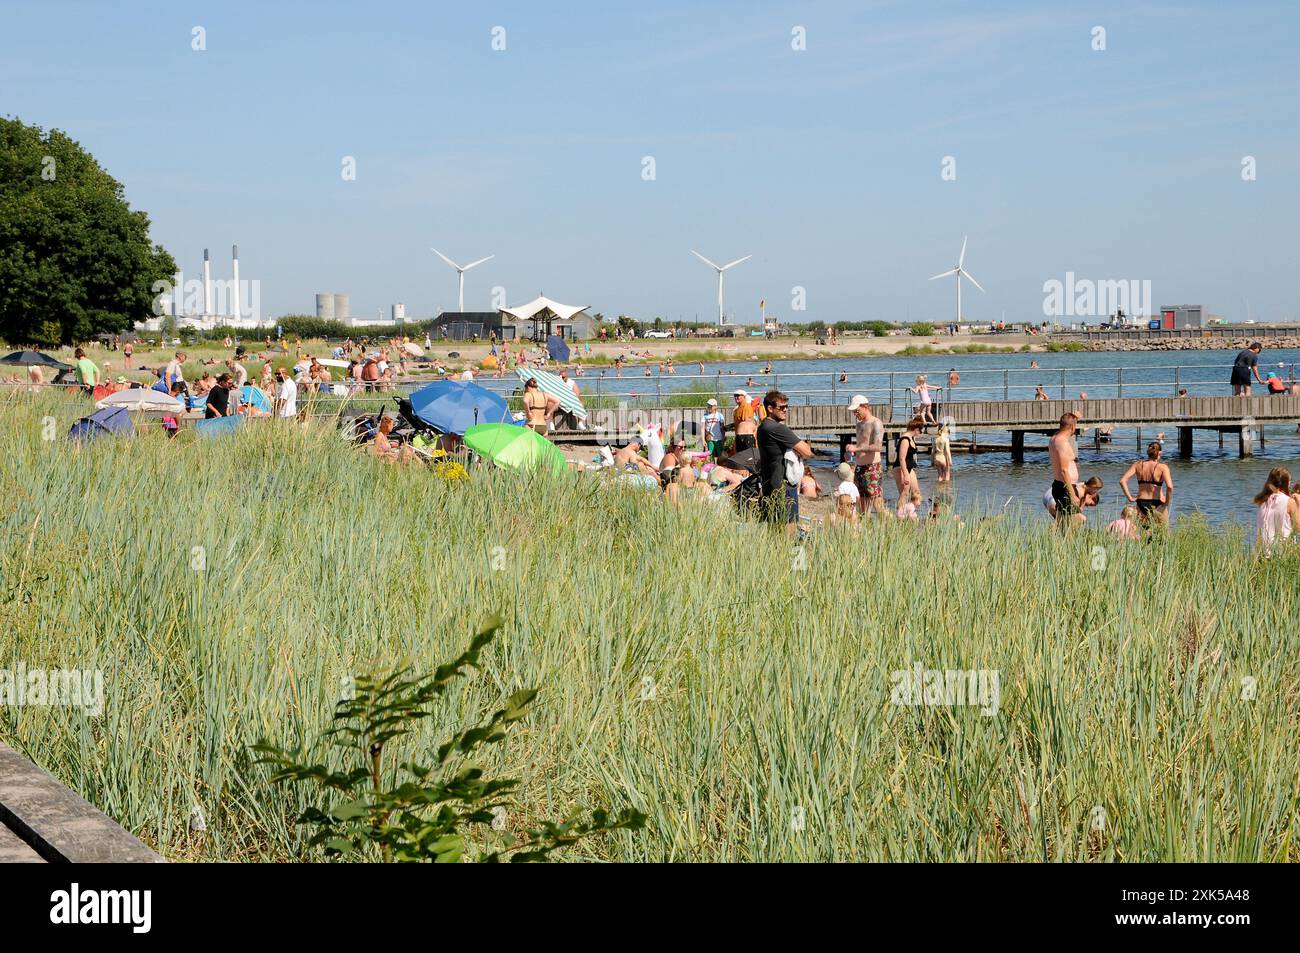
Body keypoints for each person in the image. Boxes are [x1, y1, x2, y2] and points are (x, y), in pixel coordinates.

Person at [756, 390, 814, 535]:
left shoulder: (763, 426)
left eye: (787, 407)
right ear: (770, 408)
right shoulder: (777, 428)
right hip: (783, 485)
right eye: (781, 407)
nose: (785, 410)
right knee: (789, 529)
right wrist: (798, 448)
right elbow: (807, 452)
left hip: (769, 482)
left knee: (773, 529)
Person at [845, 395, 885, 517]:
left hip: (872, 468)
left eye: (857, 411)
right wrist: (850, 452)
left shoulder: (876, 423)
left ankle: (892, 527)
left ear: (865, 406)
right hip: (859, 467)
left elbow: (877, 446)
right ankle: (866, 532)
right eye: (853, 412)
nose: (855, 414)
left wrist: (856, 448)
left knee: (878, 506)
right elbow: (861, 445)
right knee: (862, 508)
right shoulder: (859, 425)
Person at [1120, 442, 1174, 526]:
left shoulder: (1137, 464)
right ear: (1160, 453)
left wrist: (1130, 498)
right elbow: (1170, 487)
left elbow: (1122, 481)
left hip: (1141, 502)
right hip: (1157, 503)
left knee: (1144, 533)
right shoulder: (1163, 467)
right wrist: (1167, 502)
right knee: (1162, 533)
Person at [1049, 411, 1083, 528]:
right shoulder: (1062, 443)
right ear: (1073, 427)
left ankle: (1056, 544)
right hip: (1065, 487)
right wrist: (1072, 494)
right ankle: (1066, 544)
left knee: (1062, 524)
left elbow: (1065, 429)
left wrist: (1075, 419)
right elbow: (1064, 470)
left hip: (1061, 485)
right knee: (1075, 523)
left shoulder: (1055, 438)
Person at [1255, 467, 1298, 554]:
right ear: (1286, 483)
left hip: (1263, 552)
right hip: (1283, 553)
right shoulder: (1289, 502)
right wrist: (1298, 503)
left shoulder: (1263, 500)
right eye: (1289, 482)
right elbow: (1297, 528)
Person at [892, 417, 924, 505]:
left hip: (910, 467)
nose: (920, 433)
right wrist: (905, 474)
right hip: (901, 468)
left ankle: (912, 513)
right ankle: (900, 515)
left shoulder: (911, 438)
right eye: (920, 431)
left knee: (916, 493)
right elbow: (901, 458)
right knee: (904, 493)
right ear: (916, 429)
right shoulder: (905, 440)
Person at [731, 389, 757, 453]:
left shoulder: (747, 406)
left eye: (738, 395)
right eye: (735, 396)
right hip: (739, 436)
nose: (736, 397)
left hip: (747, 436)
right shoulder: (737, 410)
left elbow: (749, 422)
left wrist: (754, 435)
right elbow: (737, 424)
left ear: (744, 397)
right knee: (740, 458)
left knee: (749, 458)